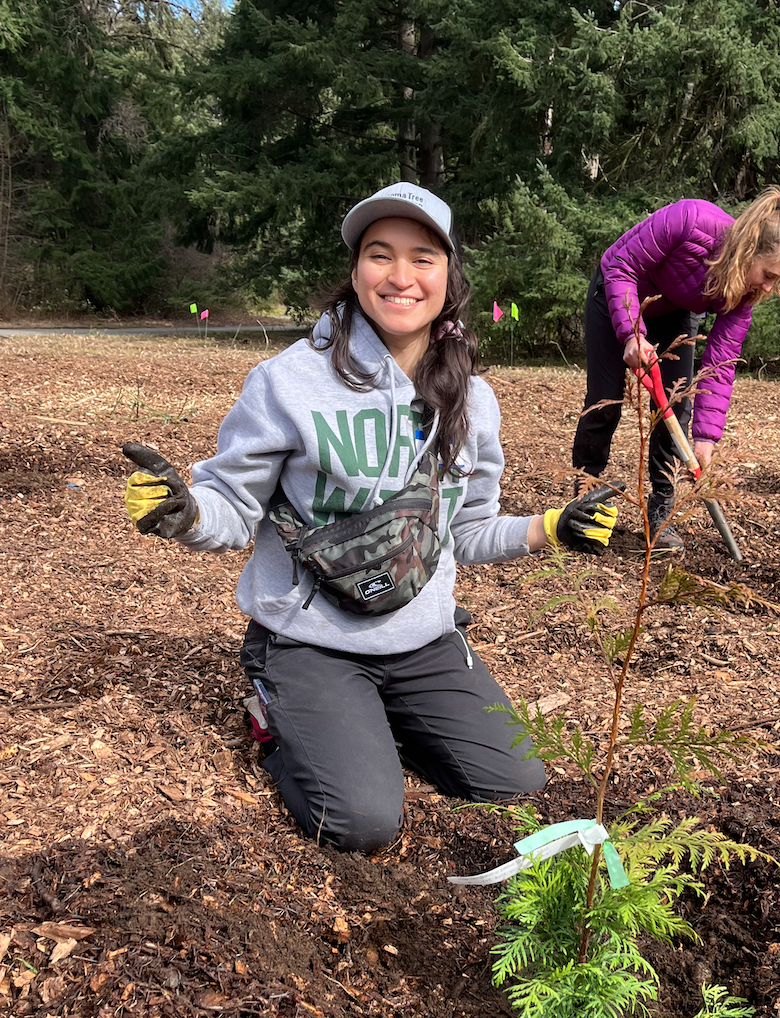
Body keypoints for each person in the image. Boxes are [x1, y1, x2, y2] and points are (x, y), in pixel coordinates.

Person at [123, 183, 620, 853]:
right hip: (311, 639)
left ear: (449, 276)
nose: (401, 276)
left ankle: (369, 718)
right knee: (358, 822)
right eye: (380, 254)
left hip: (422, 639)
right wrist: (185, 512)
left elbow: (465, 532)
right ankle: (275, 712)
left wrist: (551, 527)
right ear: (356, 271)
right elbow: (233, 511)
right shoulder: (287, 382)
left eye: (423, 258)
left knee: (516, 783)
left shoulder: (472, 397)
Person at [572, 188, 780, 551]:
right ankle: (582, 498)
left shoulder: (745, 292)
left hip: (674, 313)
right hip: (616, 293)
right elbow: (622, 265)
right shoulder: (690, 221)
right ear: (749, 251)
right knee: (605, 400)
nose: (769, 287)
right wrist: (633, 335)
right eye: (769, 274)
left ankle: (661, 511)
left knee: (676, 405)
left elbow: (721, 360)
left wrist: (706, 437)